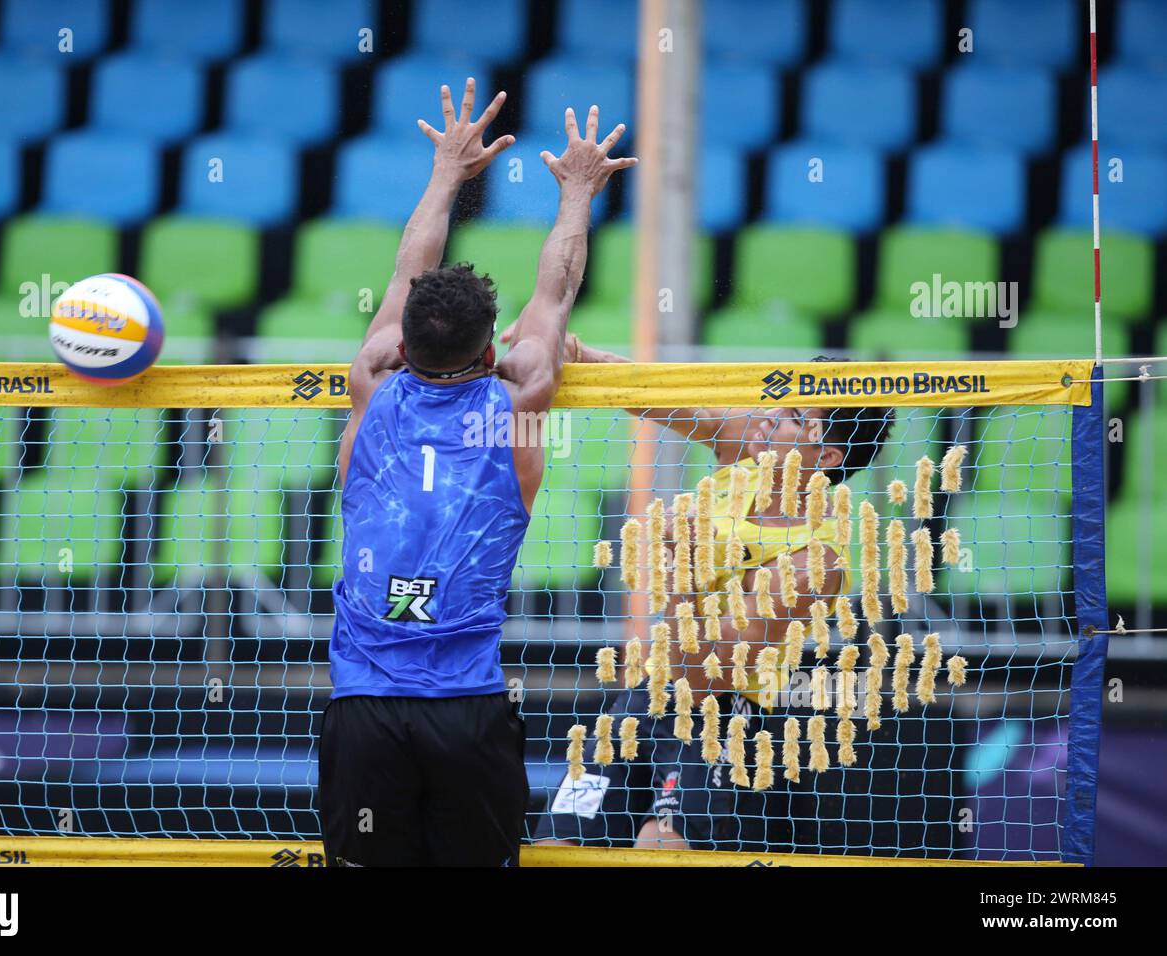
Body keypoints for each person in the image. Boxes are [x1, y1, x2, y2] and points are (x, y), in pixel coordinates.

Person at [318, 78, 637, 866]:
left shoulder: (371, 382)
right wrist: (577, 193)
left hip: (366, 708)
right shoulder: (522, 395)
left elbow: (406, 269)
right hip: (466, 708)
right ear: (491, 350)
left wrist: (447, 171)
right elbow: (556, 288)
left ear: (400, 344)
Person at [529, 344, 895, 851]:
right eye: (779, 402)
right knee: (557, 849)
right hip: (648, 692)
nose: (769, 416)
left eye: (791, 416)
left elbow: (702, 675)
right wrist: (574, 350)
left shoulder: (815, 563)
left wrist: (682, 570)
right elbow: (651, 392)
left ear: (826, 456)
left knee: (660, 845)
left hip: (718, 717)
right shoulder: (747, 441)